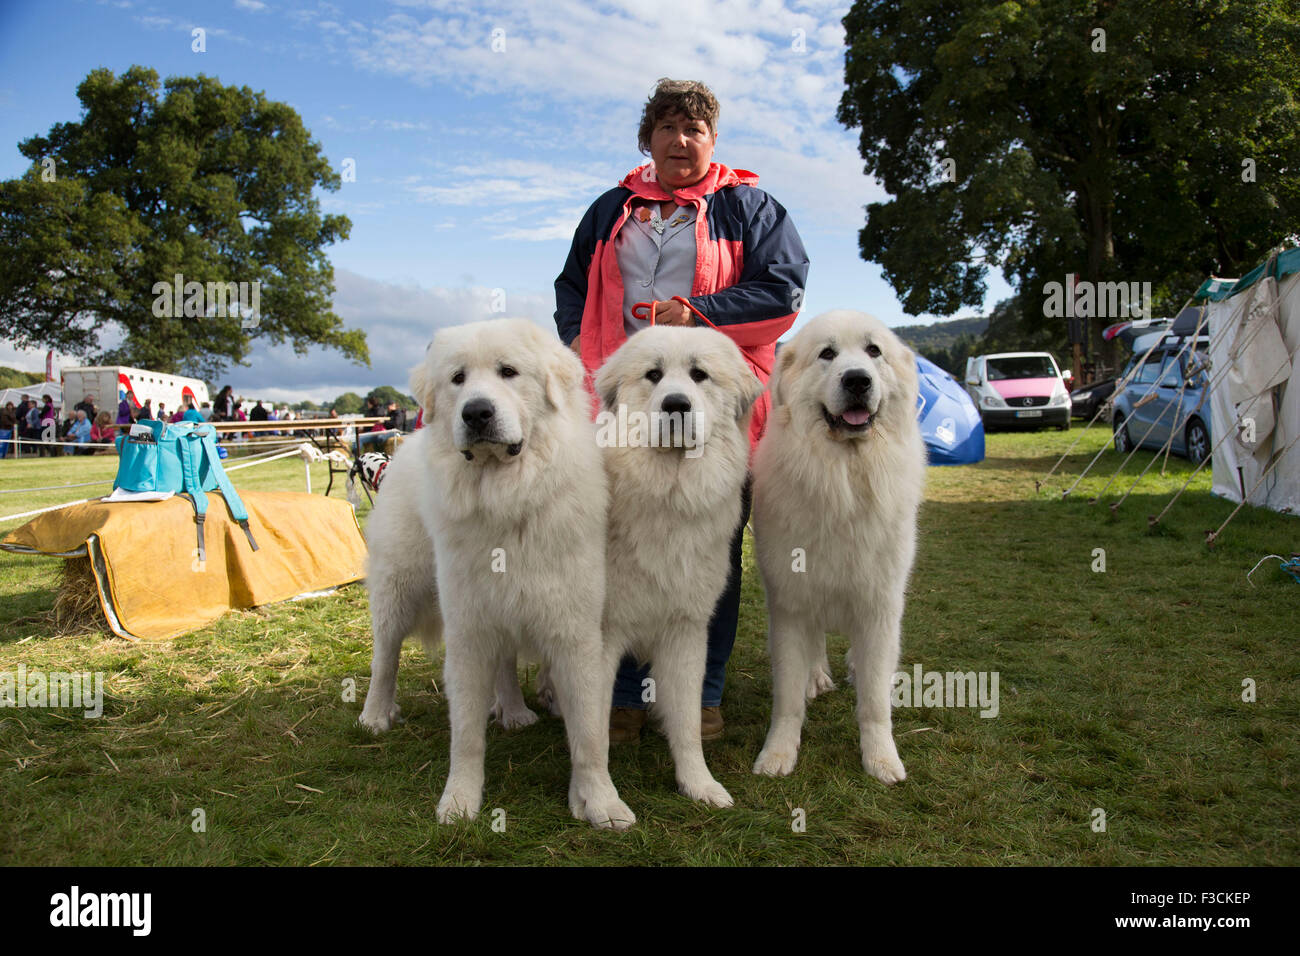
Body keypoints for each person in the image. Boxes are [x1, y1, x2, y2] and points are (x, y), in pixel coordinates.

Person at [555, 77, 808, 742]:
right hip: (624, 408)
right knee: (620, 546)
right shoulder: (612, 207)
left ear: (712, 140)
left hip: (715, 405)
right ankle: (625, 693)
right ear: (648, 140)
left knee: (709, 549)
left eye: (694, 129)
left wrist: (701, 313)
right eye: (667, 127)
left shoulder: (749, 205)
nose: (681, 140)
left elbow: (783, 292)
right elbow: (572, 283)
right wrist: (577, 341)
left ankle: (700, 695)